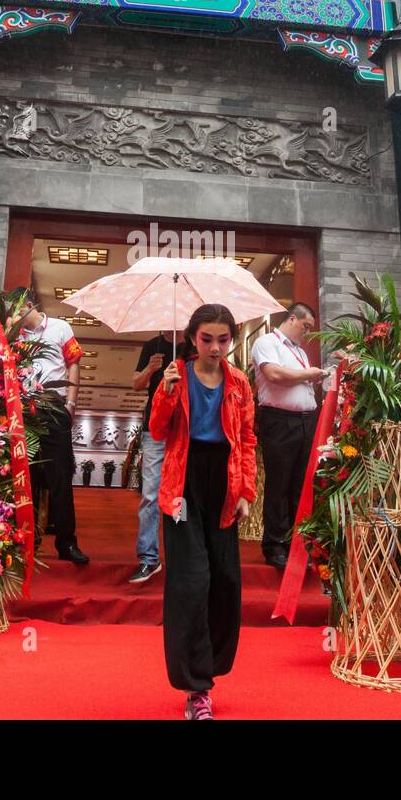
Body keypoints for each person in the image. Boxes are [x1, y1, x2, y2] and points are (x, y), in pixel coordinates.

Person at [149, 304, 256, 721]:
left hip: (225, 484)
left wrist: (246, 490)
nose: (215, 347)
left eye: (223, 339)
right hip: (183, 483)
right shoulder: (176, 374)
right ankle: (197, 690)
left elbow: (247, 437)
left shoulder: (240, 383)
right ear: (193, 337)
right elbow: (158, 430)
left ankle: (211, 665)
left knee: (225, 582)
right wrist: (166, 391)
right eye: (206, 338)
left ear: (232, 339)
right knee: (191, 583)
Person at [12, 292, 89, 565]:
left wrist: (71, 403)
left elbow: (74, 363)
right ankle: (26, 541)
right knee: (26, 475)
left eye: (15, 309)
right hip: (23, 410)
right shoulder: (15, 336)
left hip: (54, 405)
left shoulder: (60, 327)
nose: (12, 315)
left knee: (60, 474)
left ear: (29, 305)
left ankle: (66, 542)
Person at [249, 303, 329, 569]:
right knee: (279, 484)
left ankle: (295, 543)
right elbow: (274, 374)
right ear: (292, 318)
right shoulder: (266, 342)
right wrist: (310, 374)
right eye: (305, 326)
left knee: (299, 486)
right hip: (280, 421)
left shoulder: (300, 352)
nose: (307, 333)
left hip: (305, 422)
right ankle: (274, 545)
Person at [127, 330, 180, 585]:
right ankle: (149, 557)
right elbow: (136, 384)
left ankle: (183, 554)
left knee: (182, 495)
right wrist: (151, 368)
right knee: (150, 493)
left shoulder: (193, 346)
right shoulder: (152, 346)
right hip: (154, 428)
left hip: (186, 429)